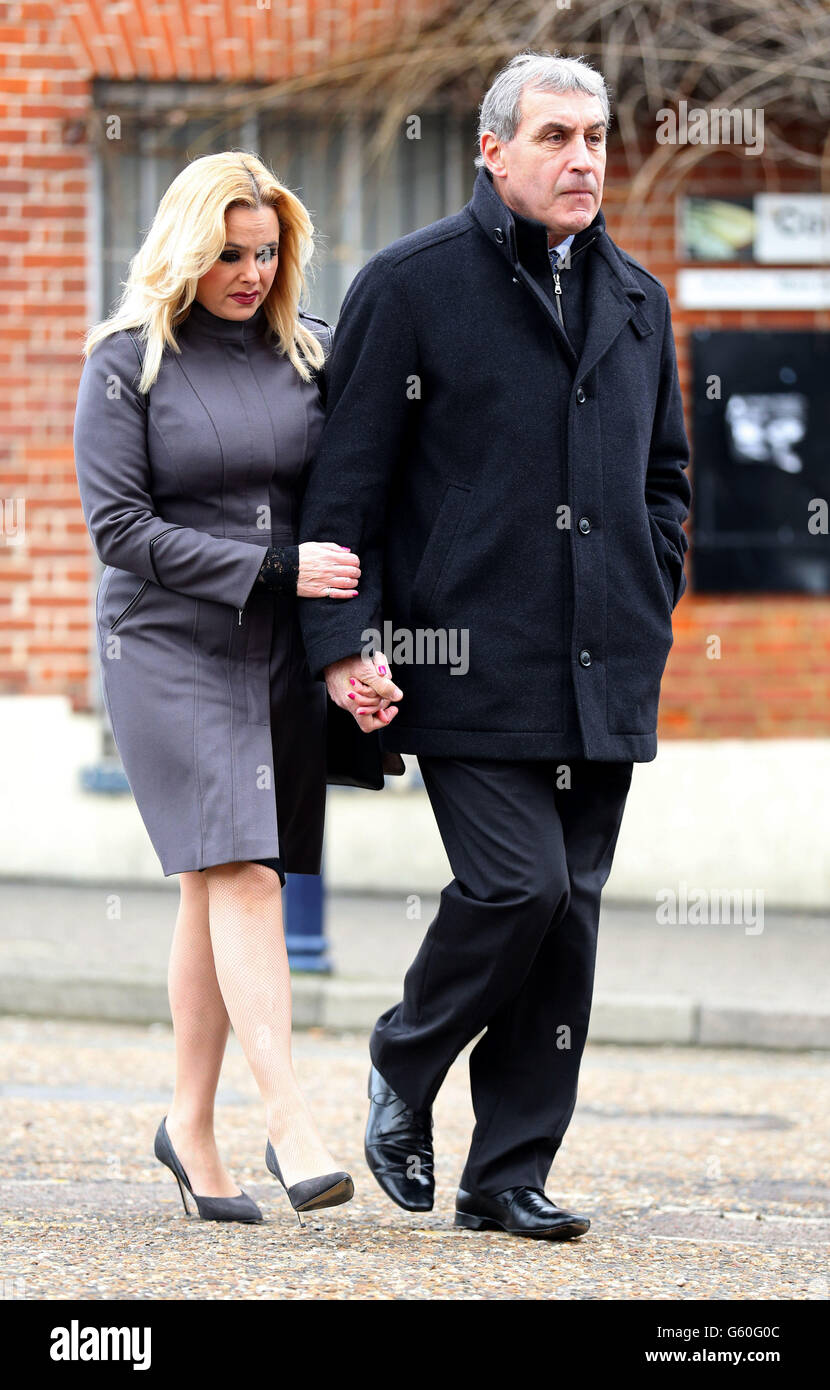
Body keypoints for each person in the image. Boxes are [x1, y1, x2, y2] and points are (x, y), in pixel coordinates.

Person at [297, 52, 692, 1241]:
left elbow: (664, 481)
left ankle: (506, 1172)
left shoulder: (634, 298)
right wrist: (339, 642)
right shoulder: (411, 286)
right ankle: (402, 1057)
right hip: (458, 659)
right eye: (556, 136)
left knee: (565, 913)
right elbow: (343, 488)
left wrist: (648, 587)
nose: (583, 159)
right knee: (514, 883)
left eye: (594, 138)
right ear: (492, 150)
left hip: (602, 663)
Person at [73, 151, 363, 1224]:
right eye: (226, 254)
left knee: (215, 878)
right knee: (245, 871)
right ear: (183, 252)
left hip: (276, 646)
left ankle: (187, 1129)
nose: (249, 272)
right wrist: (272, 567)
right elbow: (120, 530)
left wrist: (349, 642)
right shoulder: (122, 363)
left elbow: (348, 498)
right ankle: (288, 1117)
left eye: (265, 251)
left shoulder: (308, 353)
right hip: (165, 645)